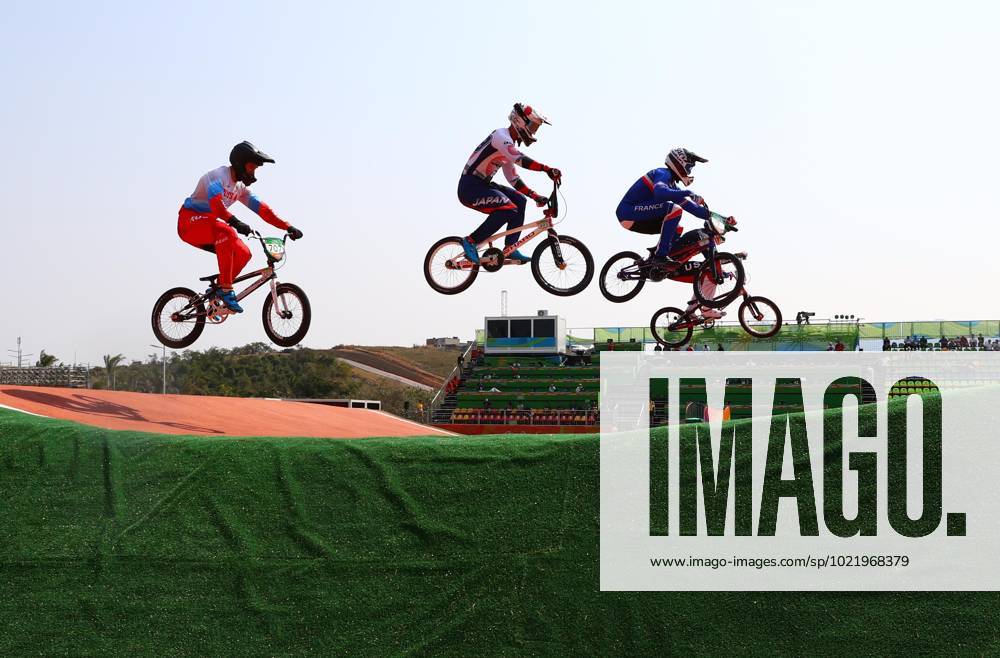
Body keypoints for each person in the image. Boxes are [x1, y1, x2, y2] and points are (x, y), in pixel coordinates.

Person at [178, 141, 303, 313]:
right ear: (239, 163)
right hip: (189, 222)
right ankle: (226, 289)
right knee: (227, 232)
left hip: (209, 225)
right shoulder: (218, 177)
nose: (254, 173)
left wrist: (288, 226)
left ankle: (217, 291)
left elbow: (264, 210)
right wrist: (235, 222)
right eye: (252, 167)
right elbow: (217, 207)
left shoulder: (240, 189)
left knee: (244, 253)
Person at [616, 148, 726, 320]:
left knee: (678, 227)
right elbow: (660, 192)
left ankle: (656, 256)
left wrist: (721, 218)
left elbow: (694, 209)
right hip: (629, 212)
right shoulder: (662, 174)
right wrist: (688, 192)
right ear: (680, 162)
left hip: (642, 217)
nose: (690, 171)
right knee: (674, 210)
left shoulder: (673, 187)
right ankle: (661, 255)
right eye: (690, 166)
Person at [457, 103, 562, 265]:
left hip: (482, 185)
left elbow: (513, 178)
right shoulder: (501, 137)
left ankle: (510, 247)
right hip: (470, 187)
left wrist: (534, 195)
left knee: (520, 200)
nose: (534, 131)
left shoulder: (507, 146)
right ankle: (471, 241)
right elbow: (520, 160)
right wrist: (546, 169)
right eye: (533, 126)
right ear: (520, 121)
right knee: (508, 208)